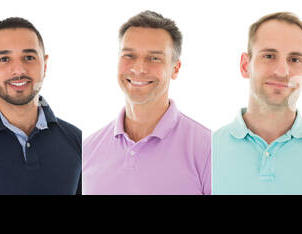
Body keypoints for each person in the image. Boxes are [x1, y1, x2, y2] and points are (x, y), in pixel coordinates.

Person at [211, 12, 302, 195]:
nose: (282, 71)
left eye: (294, 59)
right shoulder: (203, 153)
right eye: (269, 56)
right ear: (245, 65)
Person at [82, 11, 211, 195]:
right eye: (129, 55)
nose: (139, 68)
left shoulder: (208, 150)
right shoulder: (87, 150)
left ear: (175, 68)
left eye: (154, 58)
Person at [0, 17, 81, 195]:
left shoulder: (78, 142)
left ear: (45, 65)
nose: (19, 70)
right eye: (4, 59)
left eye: (29, 57)